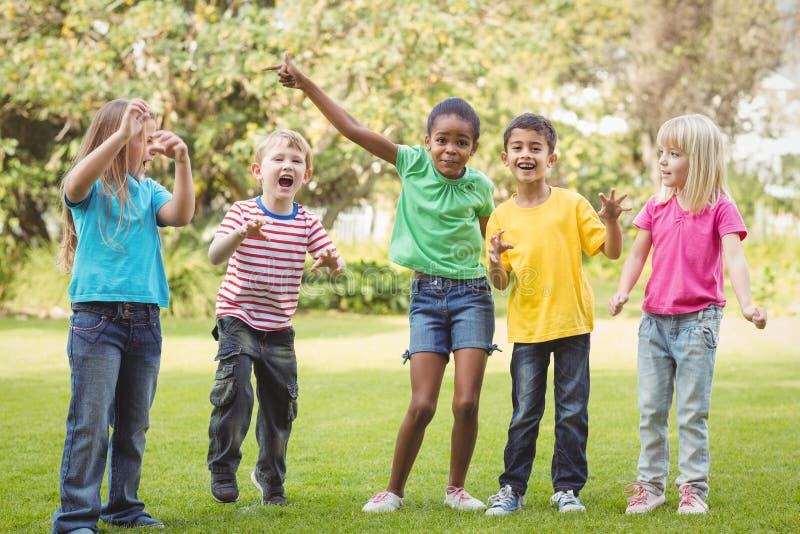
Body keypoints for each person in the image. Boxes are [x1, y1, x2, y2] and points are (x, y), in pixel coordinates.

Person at [266, 52, 497, 512]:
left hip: (473, 296)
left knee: (466, 403)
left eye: (462, 142)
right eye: (442, 140)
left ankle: (456, 490)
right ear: (427, 142)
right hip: (426, 297)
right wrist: (306, 84)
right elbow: (352, 129)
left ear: (474, 147)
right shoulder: (411, 164)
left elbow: (493, 249)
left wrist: (499, 263)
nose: (451, 149)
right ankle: (393, 490)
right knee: (423, 404)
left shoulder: (481, 187)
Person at [609, 114, 767, 515]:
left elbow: (735, 258)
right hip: (653, 324)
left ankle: (693, 489)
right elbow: (637, 254)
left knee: (692, 413)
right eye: (662, 152)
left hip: (698, 323)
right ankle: (651, 487)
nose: (663, 160)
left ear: (699, 160)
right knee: (651, 411)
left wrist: (748, 304)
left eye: (674, 153)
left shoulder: (720, 207)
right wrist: (623, 291)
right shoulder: (656, 205)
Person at [53, 98, 195, 533]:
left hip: (145, 321)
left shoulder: (149, 192)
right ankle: (76, 519)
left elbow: (182, 215)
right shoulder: (92, 188)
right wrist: (121, 134)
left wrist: (183, 159)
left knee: (133, 426)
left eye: (152, 139)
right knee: (90, 425)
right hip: (97, 322)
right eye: (143, 138)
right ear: (116, 138)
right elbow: (73, 185)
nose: (151, 147)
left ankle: (123, 507)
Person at [484, 113, 628, 516]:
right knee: (524, 413)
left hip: (572, 324)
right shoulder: (501, 216)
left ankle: (567, 489)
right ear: (505, 158)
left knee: (572, 412)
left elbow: (611, 251)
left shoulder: (572, 204)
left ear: (551, 158)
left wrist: (611, 221)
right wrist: (494, 260)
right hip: (528, 329)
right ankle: (512, 489)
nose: (526, 155)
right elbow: (500, 282)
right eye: (518, 148)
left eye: (536, 148)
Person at [206, 129, 345, 506]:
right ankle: (223, 467)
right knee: (235, 391)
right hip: (237, 316)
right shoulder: (242, 212)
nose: (288, 166)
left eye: (296, 161)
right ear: (258, 170)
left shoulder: (307, 221)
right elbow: (215, 255)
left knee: (281, 408)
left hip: (279, 327)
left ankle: (269, 476)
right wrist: (241, 233)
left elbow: (337, 263)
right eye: (278, 159)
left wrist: (333, 262)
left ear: (306, 175)